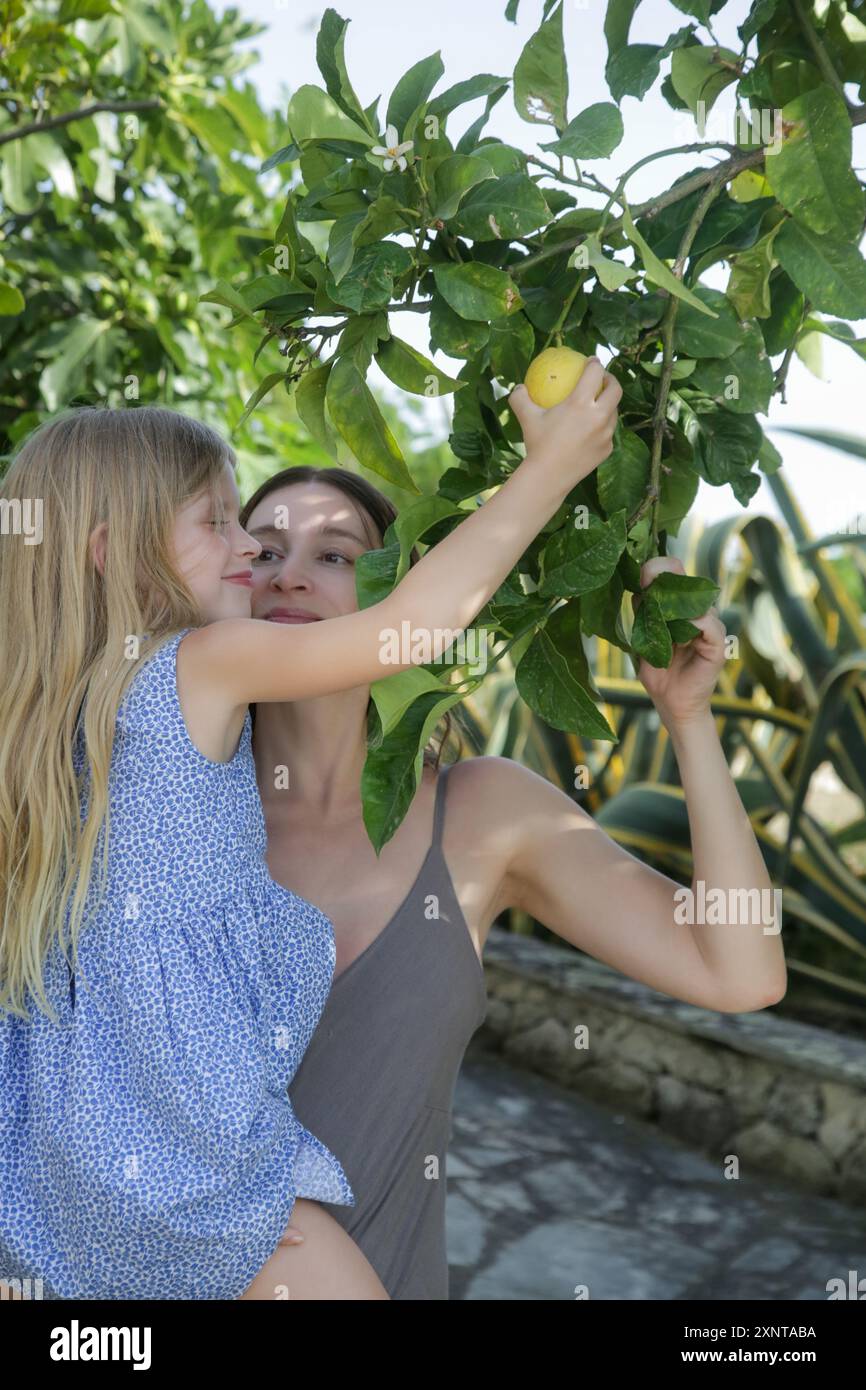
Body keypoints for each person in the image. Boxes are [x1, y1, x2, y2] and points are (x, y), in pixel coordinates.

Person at [0, 363, 621, 1299]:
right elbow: (406, 631)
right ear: (114, 554)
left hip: (62, 1174)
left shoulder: (54, 719)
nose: (247, 545)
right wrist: (550, 470)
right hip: (197, 1169)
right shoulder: (198, 664)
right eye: (215, 522)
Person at [236, 457, 788, 1298]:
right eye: (264, 552)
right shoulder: (169, 815)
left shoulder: (484, 815)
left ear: (409, 600)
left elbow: (740, 969)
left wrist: (689, 719)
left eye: (336, 555)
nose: (289, 578)